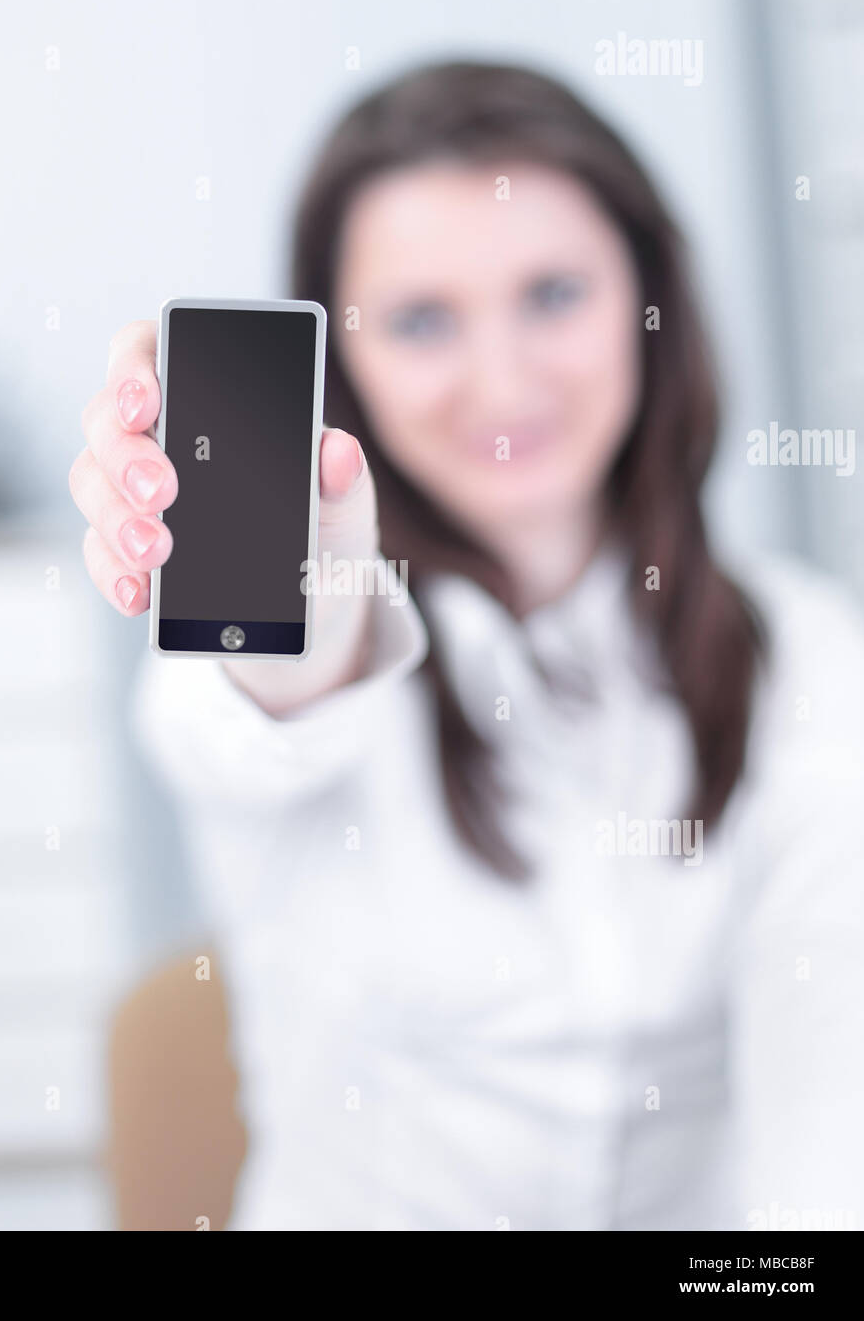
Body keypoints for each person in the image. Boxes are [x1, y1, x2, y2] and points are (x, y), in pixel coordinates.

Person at [70, 60, 864, 1231]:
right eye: (422, 319)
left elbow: (826, 1130)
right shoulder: (299, 633)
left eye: (553, 294)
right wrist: (309, 603)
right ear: (342, 359)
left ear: (652, 304)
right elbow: (250, 707)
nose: (503, 381)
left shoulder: (803, 657)